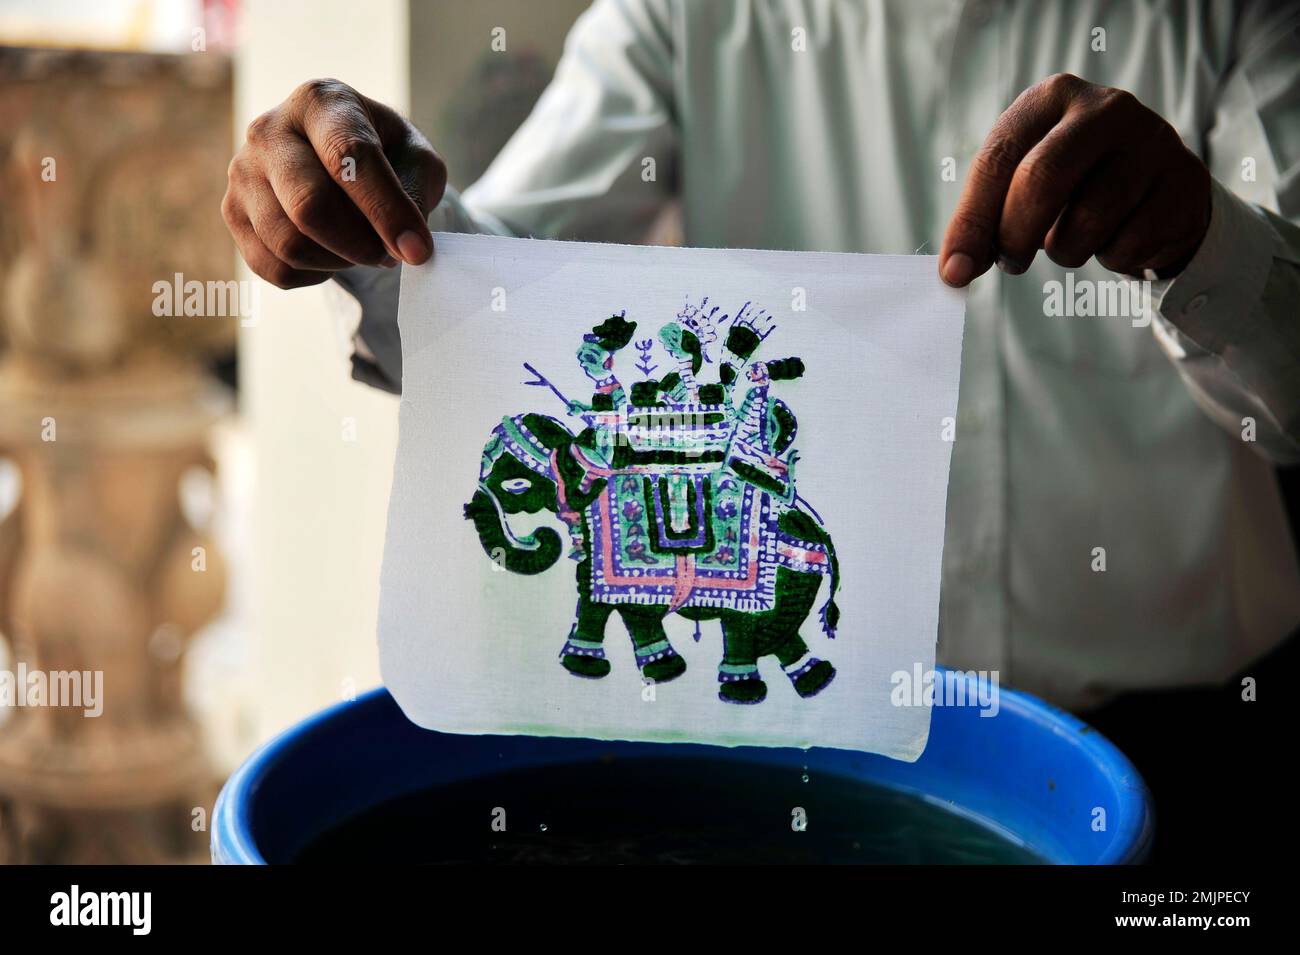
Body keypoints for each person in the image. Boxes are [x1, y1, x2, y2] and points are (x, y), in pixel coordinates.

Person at [220, 0, 1300, 861]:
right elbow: (494, 325)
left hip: (1184, 760)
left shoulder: (1228, 16)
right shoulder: (684, 17)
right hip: (802, 772)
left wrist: (1198, 237)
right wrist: (365, 228)